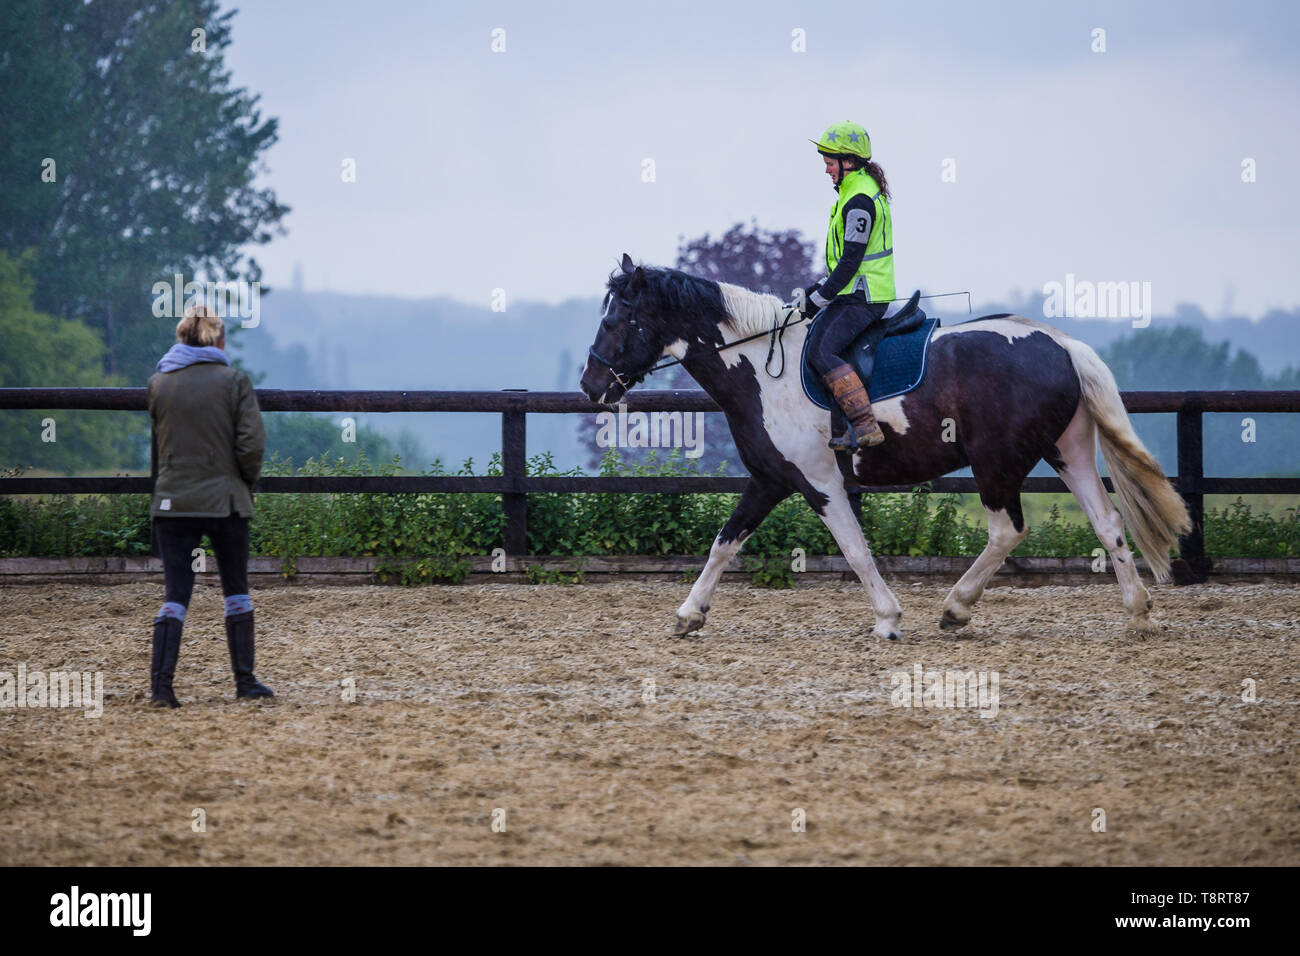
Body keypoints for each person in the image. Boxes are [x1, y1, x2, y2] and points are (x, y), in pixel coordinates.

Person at [147, 305, 272, 707]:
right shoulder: (235, 381)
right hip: (225, 500)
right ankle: (245, 682)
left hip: (172, 501)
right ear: (218, 341)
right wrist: (242, 484)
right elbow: (251, 445)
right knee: (236, 590)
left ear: (181, 339)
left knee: (175, 594)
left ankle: (162, 688)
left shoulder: (159, 383)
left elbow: (160, 444)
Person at [799, 121, 897, 450]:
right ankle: (838, 432)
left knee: (821, 350)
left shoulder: (859, 200)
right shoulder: (854, 192)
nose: (826, 170)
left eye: (829, 162)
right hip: (852, 293)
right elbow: (840, 261)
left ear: (849, 162)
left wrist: (819, 298)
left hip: (864, 297)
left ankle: (864, 424)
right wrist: (814, 291)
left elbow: (851, 262)